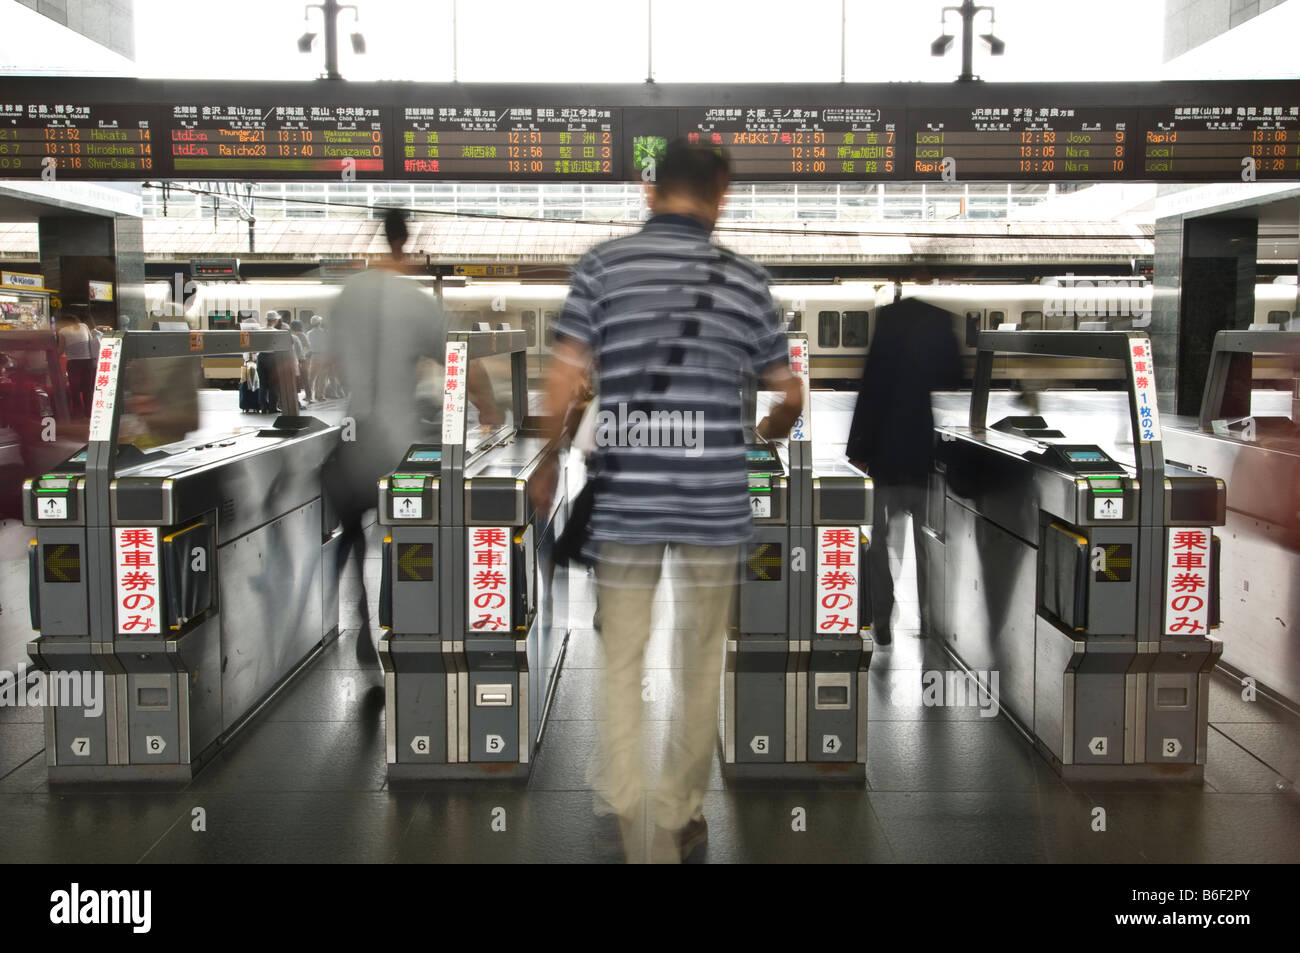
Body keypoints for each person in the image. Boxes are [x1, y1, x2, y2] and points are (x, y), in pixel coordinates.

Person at [535, 140, 803, 864]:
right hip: (713, 504)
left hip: (625, 502)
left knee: (621, 658)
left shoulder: (602, 267)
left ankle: (629, 811)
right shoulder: (747, 281)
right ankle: (681, 812)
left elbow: (563, 379)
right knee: (698, 660)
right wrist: (764, 432)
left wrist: (547, 460)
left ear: (652, 190)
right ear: (720, 196)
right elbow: (789, 392)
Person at [327, 208, 502, 663]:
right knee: (408, 534)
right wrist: (489, 406)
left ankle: (363, 623)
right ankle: (404, 621)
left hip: (350, 439)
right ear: (406, 242)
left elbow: (323, 364)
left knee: (352, 534)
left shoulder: (349, 293)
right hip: (395, 445)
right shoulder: (413, 300)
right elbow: (458, 358)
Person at [846, 296, 962, 646]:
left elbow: (870, 392)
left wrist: (859, 450)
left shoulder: (888, 326)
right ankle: (930, 618)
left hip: (885, 456)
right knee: (925, 542)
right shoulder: (938, 322)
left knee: (880, 541)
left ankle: (883, 618)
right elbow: (955, 378)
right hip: (920, 456)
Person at [56, 311, 95, 418]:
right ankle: (89, 412)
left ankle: (78, 413)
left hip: (74, 363)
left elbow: (60, 350)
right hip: (88, 361)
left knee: (75, 389)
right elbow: (91, 341)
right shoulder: (84, 326)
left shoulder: (63, 331)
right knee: (88, 388)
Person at [306, 315, 330, 402]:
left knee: (311, 377)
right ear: (319, 323)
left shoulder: (309, 333)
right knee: (322, 377)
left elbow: (308, 345)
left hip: (314, 356)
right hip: (323, 356)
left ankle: (309, 396)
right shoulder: (325, 333)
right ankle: (320, 395)